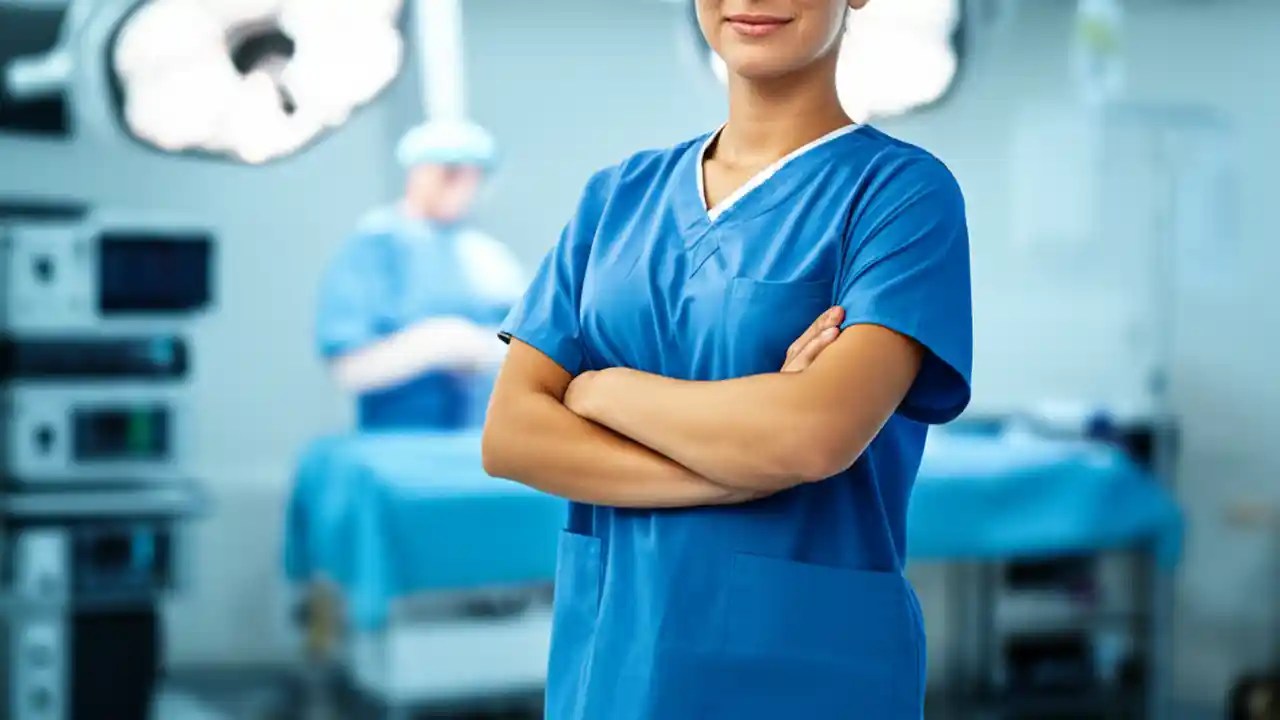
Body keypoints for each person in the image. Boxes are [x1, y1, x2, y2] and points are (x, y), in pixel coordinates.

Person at [483, 0, 972, 717]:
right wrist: (736, 473)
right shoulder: (618, 198)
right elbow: (512, 437)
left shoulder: (900, 197)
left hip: (800, 678)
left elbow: (811, 436)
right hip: (612, 673)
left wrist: (604, 391)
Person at [316, 120, 524, 430]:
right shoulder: (377, 247)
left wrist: (482, 348)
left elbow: (531, 349)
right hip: (402, 451)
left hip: (481, 446)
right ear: (417, 173)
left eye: (474, 177)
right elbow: (348, 368)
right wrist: (430, 346)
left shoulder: (487, 256)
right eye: (450, 174)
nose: (464, 188)